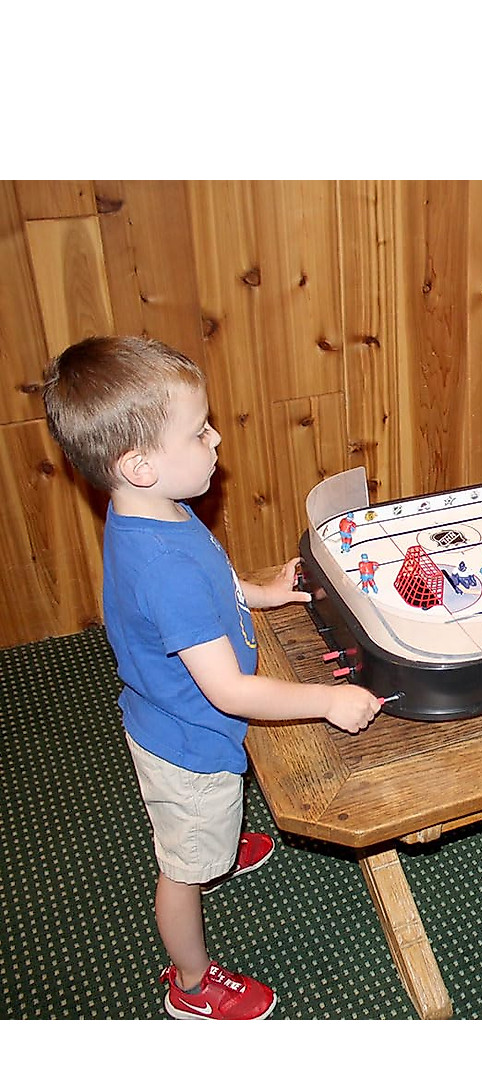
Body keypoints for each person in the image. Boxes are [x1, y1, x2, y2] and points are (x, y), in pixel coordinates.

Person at [42, 336, 381, 1018]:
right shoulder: (162, 568)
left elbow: (216, 581)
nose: (217, 437)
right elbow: (228, 691)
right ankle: (190, 984)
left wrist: (263, 593)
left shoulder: (158, 509)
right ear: (139, 464)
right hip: (190, 745)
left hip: (184, 724)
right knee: (181, 867)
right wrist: (328, 700)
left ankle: (214, 848)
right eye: (198, 431)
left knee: (205, 831)